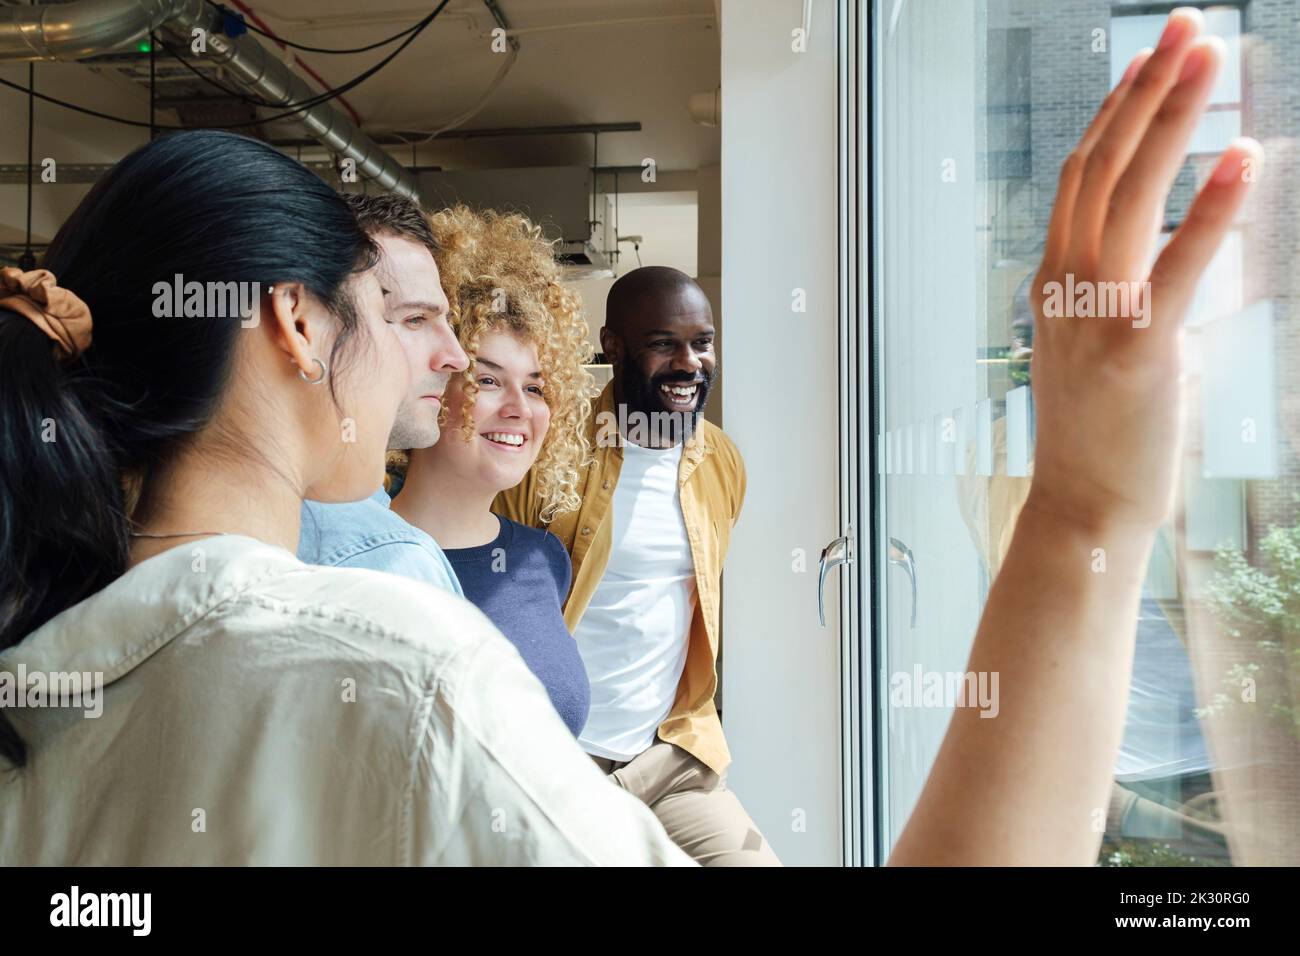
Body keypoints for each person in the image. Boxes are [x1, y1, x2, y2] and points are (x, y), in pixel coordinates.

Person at [0, 130, 691, 865]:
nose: (446, 359)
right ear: (298, 326)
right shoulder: (418, 668)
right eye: (384, 312)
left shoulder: (35, 670)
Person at [495, 264, 782, 866]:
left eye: (702, 343)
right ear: (613, 347)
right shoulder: (550, 453)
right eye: (663, 345)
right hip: (564, 759)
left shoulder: (721, 461)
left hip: (673, 754)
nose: (689, 363)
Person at [391, 206, 594, 737]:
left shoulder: (544, 559)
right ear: (434, 386)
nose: (519, 409)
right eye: (487, 381)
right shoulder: (364, 558)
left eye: (535, 387)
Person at [297, 195, 469, 594]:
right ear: (306, 330)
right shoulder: (392, 561)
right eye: (414, 320)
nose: (457, 358)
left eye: (446, 321)